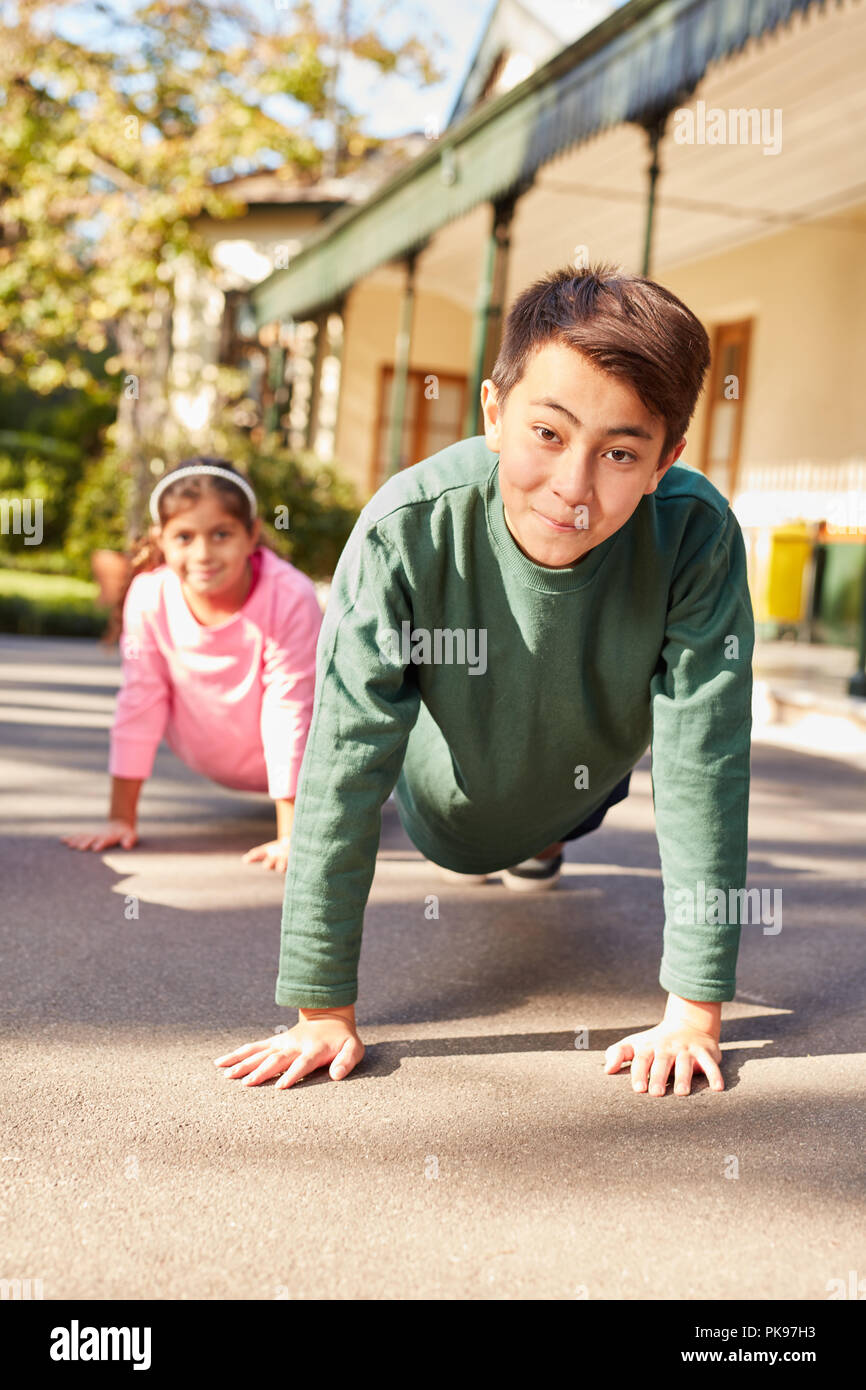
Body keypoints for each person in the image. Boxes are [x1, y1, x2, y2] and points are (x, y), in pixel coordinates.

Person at [214, 263, 754, 1097]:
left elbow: (703, 758)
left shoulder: (696, 533)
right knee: (465, 829)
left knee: (566, 793)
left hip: (583, 782)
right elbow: (346, 757)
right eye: (549, 434)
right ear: (495, 414)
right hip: (445, 803)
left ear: (665, 460)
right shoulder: (405, 527)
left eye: (619, 452)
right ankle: (518, 836)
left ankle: (541, 838)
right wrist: (320, 1006)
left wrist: (694, 1009)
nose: (573, 489)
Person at [61, 457, 323, 873]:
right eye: (184, 536)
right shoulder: (150, 596)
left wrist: (291, 835)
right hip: (214, 758)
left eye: (221, 534)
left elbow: (290, 709)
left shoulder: (289, 594)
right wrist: (120, 819)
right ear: (159, 540)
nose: (203, 554)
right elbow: (140, 703)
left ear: (252, 534)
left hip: (316, 766)